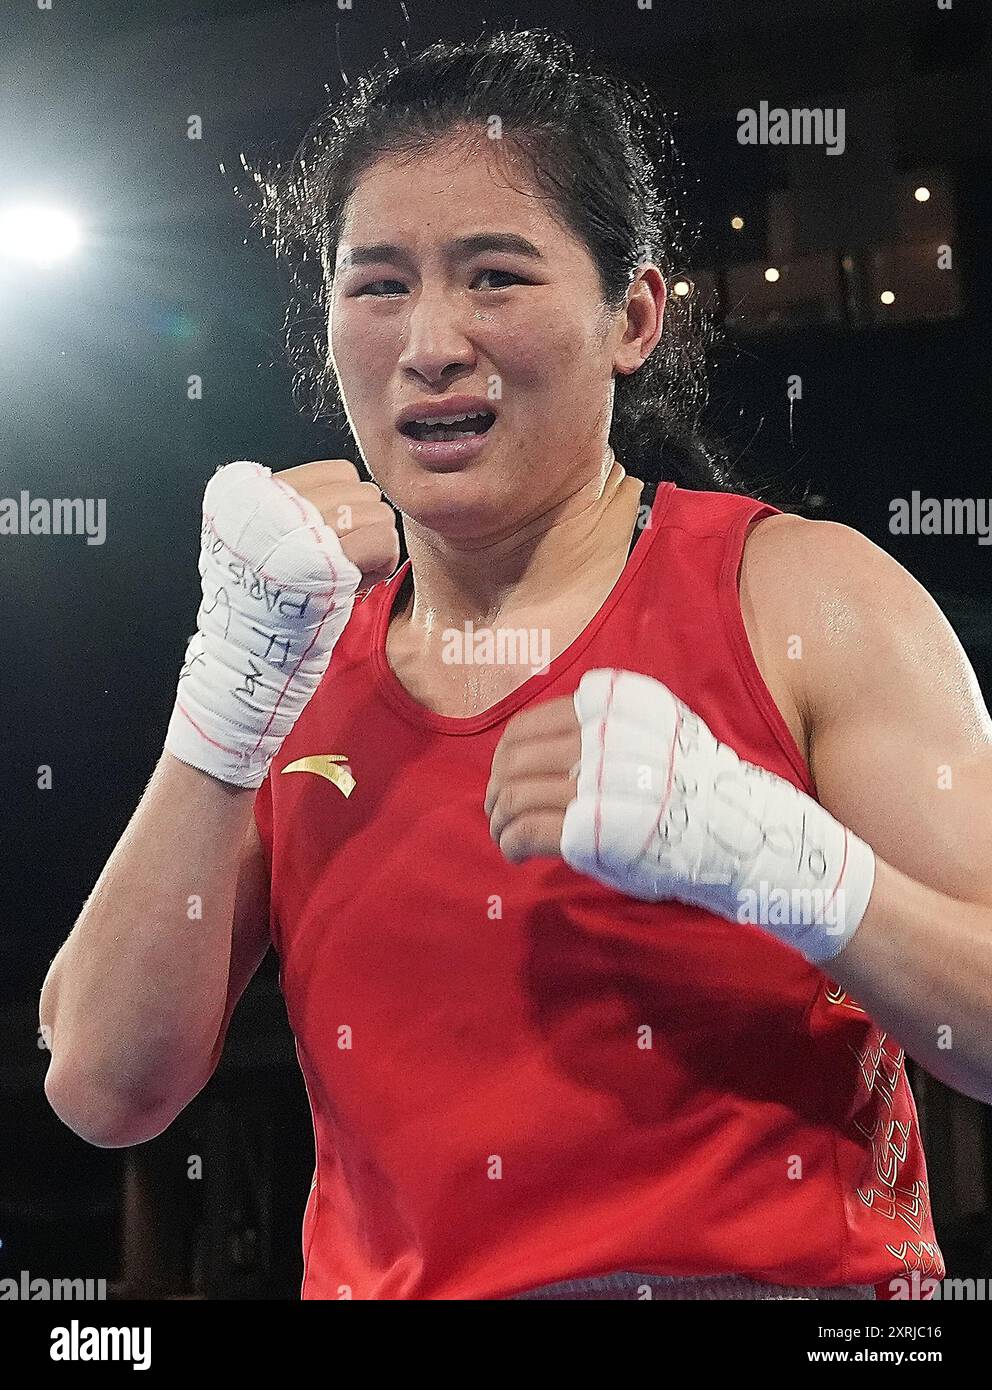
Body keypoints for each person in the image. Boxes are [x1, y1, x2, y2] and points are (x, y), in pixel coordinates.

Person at [40, 31, 992, 1302]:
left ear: (632, 317)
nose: (429, 341)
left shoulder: (797, 597)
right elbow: (104, 1091)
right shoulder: (289, 654)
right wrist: (224, 700)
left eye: (493, 276)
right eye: (376, 285)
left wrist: (794, 869)